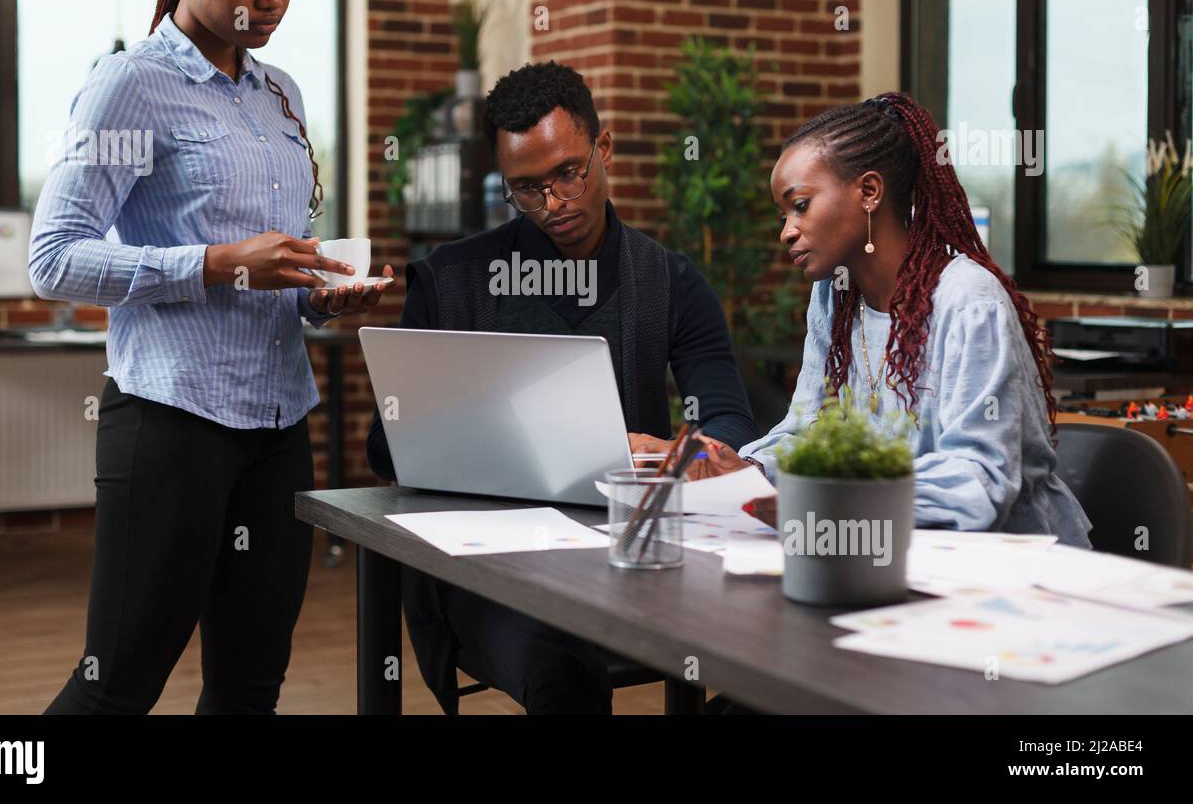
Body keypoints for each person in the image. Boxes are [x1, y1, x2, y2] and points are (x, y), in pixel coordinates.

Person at [30, 0, 392, 714]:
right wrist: (218, 263)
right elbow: (52, 258)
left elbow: (275, 264)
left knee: (250, 682)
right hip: (169, 425)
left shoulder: (281, 97)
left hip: (276, 424)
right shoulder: (132, 87)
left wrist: (319, 290)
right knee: (118, 682)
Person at [366, 61, 760, 713]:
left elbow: (728, 426)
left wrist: (679, 455)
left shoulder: (670, 283)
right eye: (526, 188)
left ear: (603, 149)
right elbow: (387, 446)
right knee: (562, 672)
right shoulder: (450, 281)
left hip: (637, 560)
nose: (554, 203)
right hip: (491, 574)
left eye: (568, 173)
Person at [694, 92, 1091, 548]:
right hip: (894, 549)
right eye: (783, 214)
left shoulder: (969, 301)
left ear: (868, 192)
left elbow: (980, 482)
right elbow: (809, 428)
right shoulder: (835, 297)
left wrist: (832, 500)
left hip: (1021, 566)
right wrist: (747, 469)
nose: (786, 231)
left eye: (799, 205)